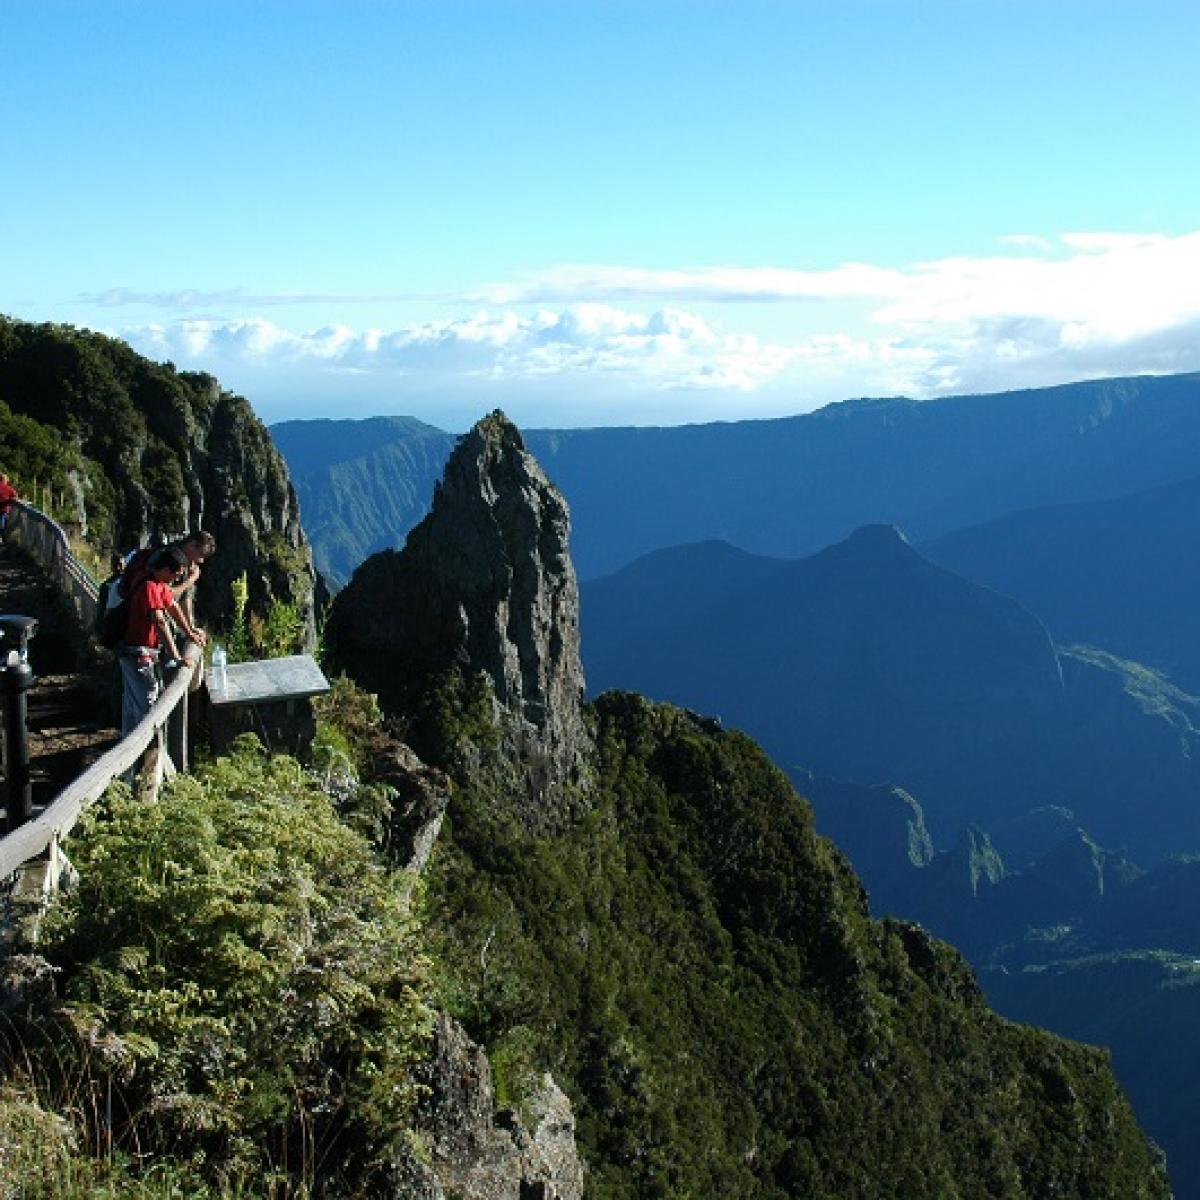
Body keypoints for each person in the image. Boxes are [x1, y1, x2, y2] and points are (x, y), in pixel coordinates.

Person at [118, 546, 189, 735]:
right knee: (146, 702)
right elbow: (159, 621)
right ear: (165, 569)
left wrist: (190, 633)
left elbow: (172, 606)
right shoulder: (149, 586)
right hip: (137, 653)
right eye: (176, 574)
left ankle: (130, 747)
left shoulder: (157, 584)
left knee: (133, 703)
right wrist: (177, 657)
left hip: (138, 652)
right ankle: (142, 748)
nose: (177, 579)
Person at [0, 473, 18, 539]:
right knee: (3, 526)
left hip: (3, 510)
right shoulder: (8, 488)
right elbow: (15, 495)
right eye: (6, 480)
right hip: (4, 509)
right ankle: (3, 539)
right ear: (4, 480)